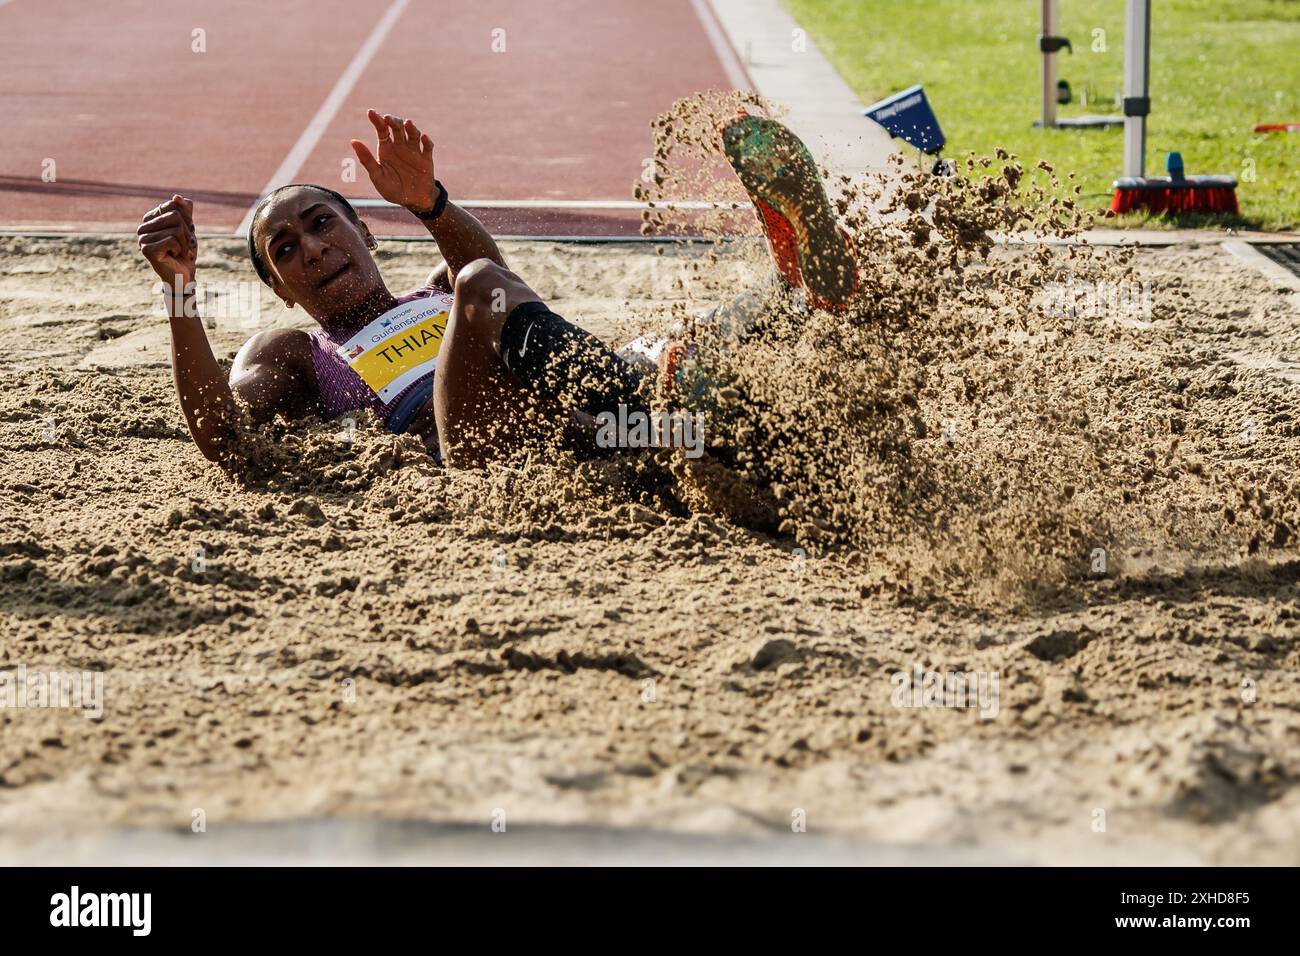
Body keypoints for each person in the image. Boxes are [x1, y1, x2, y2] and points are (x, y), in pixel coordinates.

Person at [137, 109, 856, 468]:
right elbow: (225, 439)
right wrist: (180, 293)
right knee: (481, 284)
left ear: (368, 232)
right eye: (286, 250)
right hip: (473, 442)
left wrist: (433, 205)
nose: (314, 248)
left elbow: (493, 268)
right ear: (285, 292)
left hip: (574, 413)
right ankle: (667, 399)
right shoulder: (294, 350)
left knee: (659, 351)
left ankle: (798, 293)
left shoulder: (431, 289)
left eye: (323, 222)